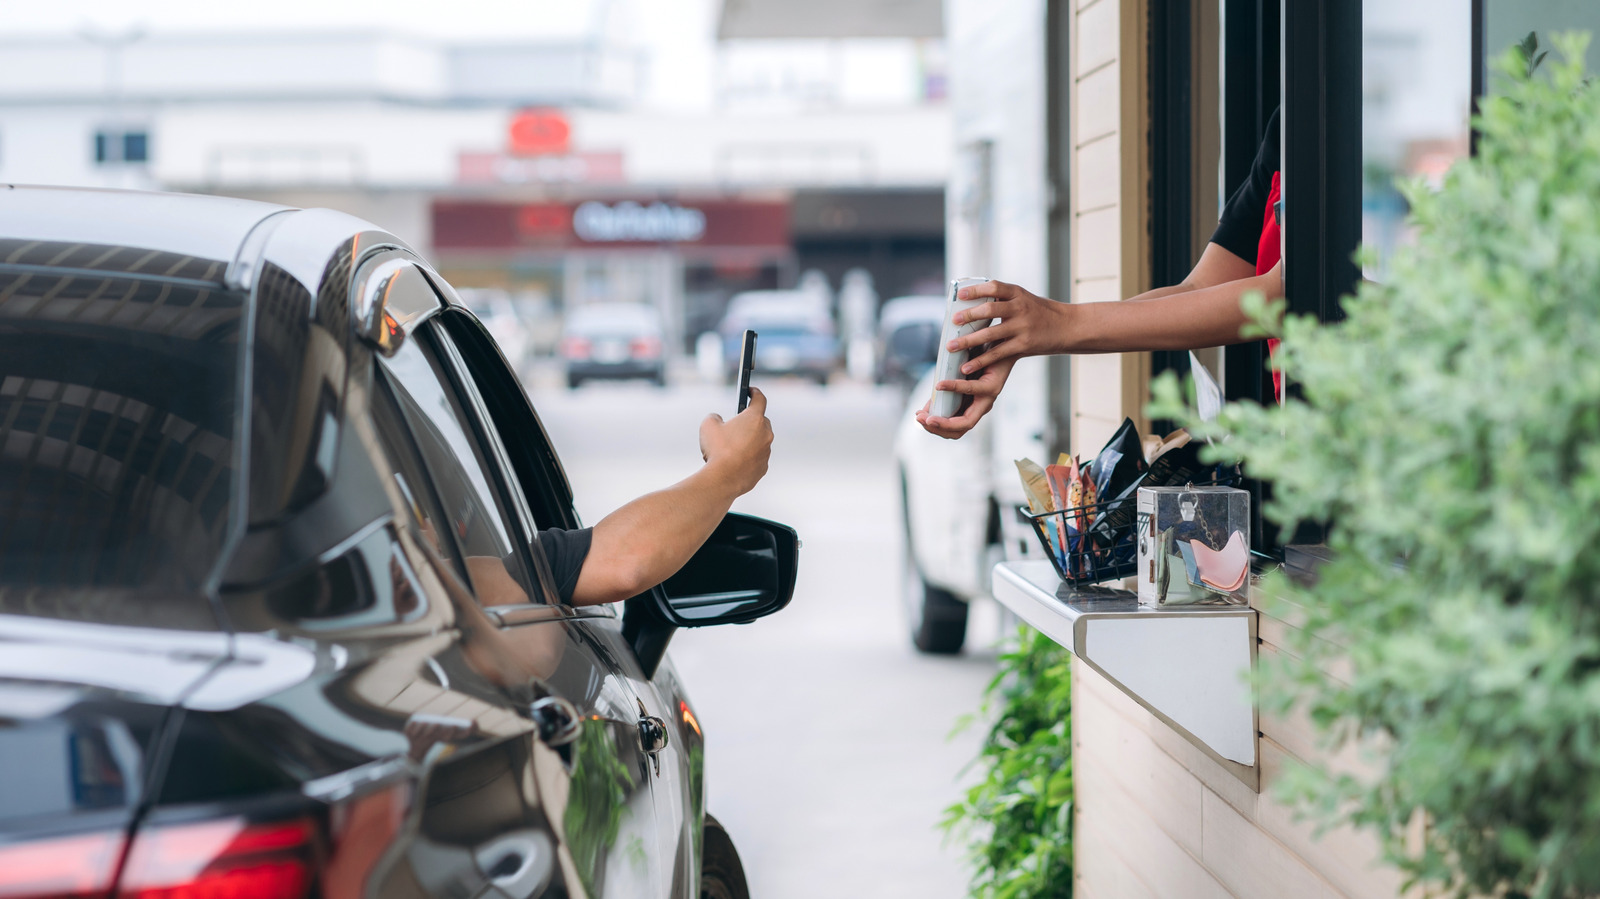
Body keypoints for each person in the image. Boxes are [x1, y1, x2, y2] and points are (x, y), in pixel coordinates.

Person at [919, 108, 1286, 440]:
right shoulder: (1285, 129)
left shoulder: (1333, 119)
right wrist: (1017, 339)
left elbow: (1283, 294)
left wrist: (1059, 324)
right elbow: (1200, 287)